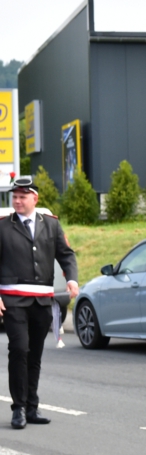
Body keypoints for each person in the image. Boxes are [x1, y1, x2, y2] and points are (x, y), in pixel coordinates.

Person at [0, 176, 79, 430]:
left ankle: (32, 407)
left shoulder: (51, 225)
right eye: (15, 196)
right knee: (19, 349)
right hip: (13, 300)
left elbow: (66, 255)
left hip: (42, 302)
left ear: (35, 198)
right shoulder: (3, 226)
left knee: (34, 355)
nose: (17, 201)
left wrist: (72, 279)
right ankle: (18, 408)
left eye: (22, 197)